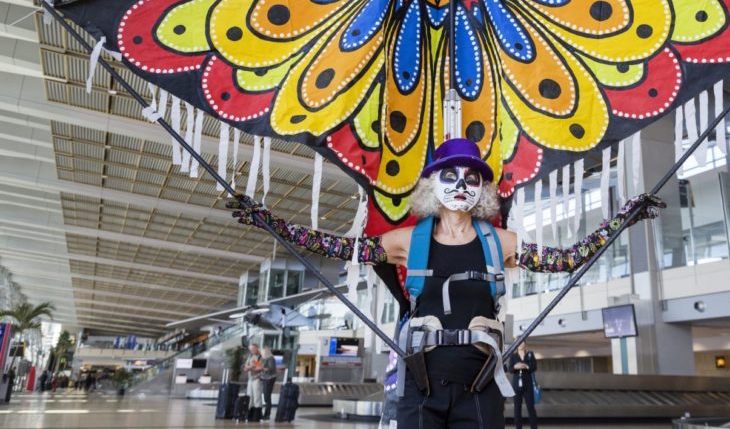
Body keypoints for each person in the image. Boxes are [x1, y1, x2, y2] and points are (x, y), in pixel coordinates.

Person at [231, 138, 664, 428]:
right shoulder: (405, 241)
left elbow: (568, 259)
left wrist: (623, 217)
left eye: (471, 177)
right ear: (433, 186)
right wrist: (271, 222)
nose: (460, 186)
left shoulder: (502, 242)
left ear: (483, 189)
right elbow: (340, 248)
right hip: (421, 387)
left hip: (481, 387)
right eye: (450, 177)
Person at [509, 342, 538, 429]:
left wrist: (526, 366)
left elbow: (534, 367)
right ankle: (518, 427)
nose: (521, 344)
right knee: (517, 407)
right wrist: (515, 367)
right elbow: (510, 369)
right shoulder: (513, 356)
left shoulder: (530, 354)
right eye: (519, 343)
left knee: (531, 407)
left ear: (525, 344)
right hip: (516, 385)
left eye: (522, 343)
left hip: (528, 384)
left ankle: (534, 427)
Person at [243, 343, 263, 421]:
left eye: (252, 349)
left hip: (257, 378)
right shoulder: (250, 356)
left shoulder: (261, 356)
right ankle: (250, 413)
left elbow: (260, 367)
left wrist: (251, 367)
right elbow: (246, 366)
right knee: (249, 396)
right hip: (250, 379)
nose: (251, 351)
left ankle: (257, 415)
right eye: (250, 350)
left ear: (257, 348)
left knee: (257, 397)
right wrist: (248, 368)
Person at [259, 346, 277, 420]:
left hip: (269, 378)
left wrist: (262, 368)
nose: (261, 353)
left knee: (267, 396)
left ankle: (267, 414)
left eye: (262, 352)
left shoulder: (270, 358)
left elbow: (270, 368)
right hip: (264, 378)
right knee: (266, 396)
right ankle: (266, 414)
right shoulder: (263, 358)